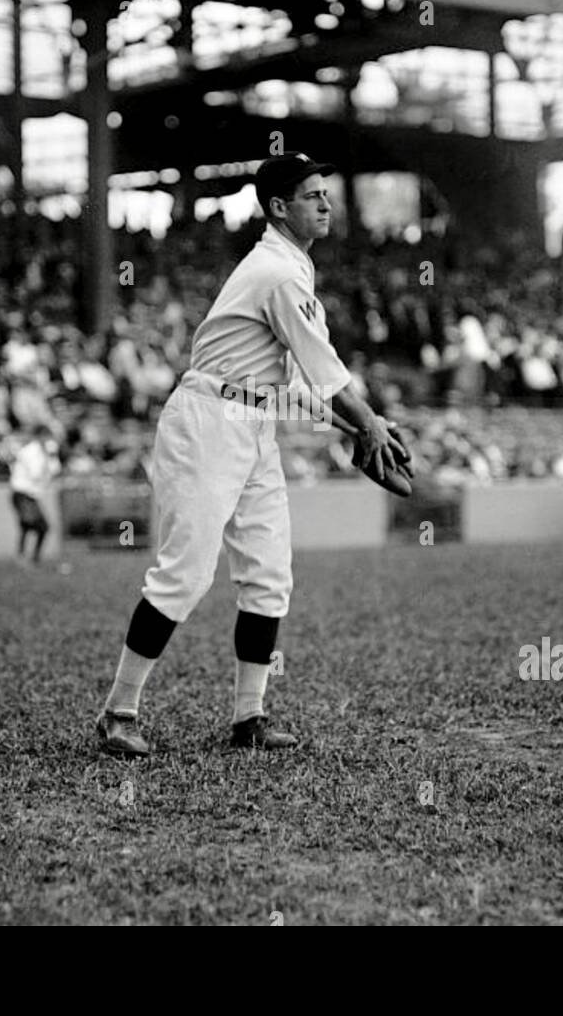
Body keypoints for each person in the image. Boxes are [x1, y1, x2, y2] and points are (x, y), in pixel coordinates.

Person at [95, 153, 408, 757]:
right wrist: (367, 423)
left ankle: (249, 717)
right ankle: (119, 712)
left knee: (268, 576)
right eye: (312, 195)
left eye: (326, 193)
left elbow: (295, 387)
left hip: (251, 420)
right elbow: (326, 373)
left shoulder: (290, 268)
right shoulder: (278, 272)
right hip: (210, 421)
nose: (325, 203)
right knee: (184, 576)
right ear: (279, 208)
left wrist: (356, 426)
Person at [9, 423, 59, 566]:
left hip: (32, 495)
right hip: (22, 493)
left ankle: (31, 558)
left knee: (40, 527)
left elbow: (55, 470)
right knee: (31, 524)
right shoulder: (30, 452)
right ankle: (23, 557)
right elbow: (36, 473)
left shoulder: (45, 453)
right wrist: (46, 458)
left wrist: (52, 456)